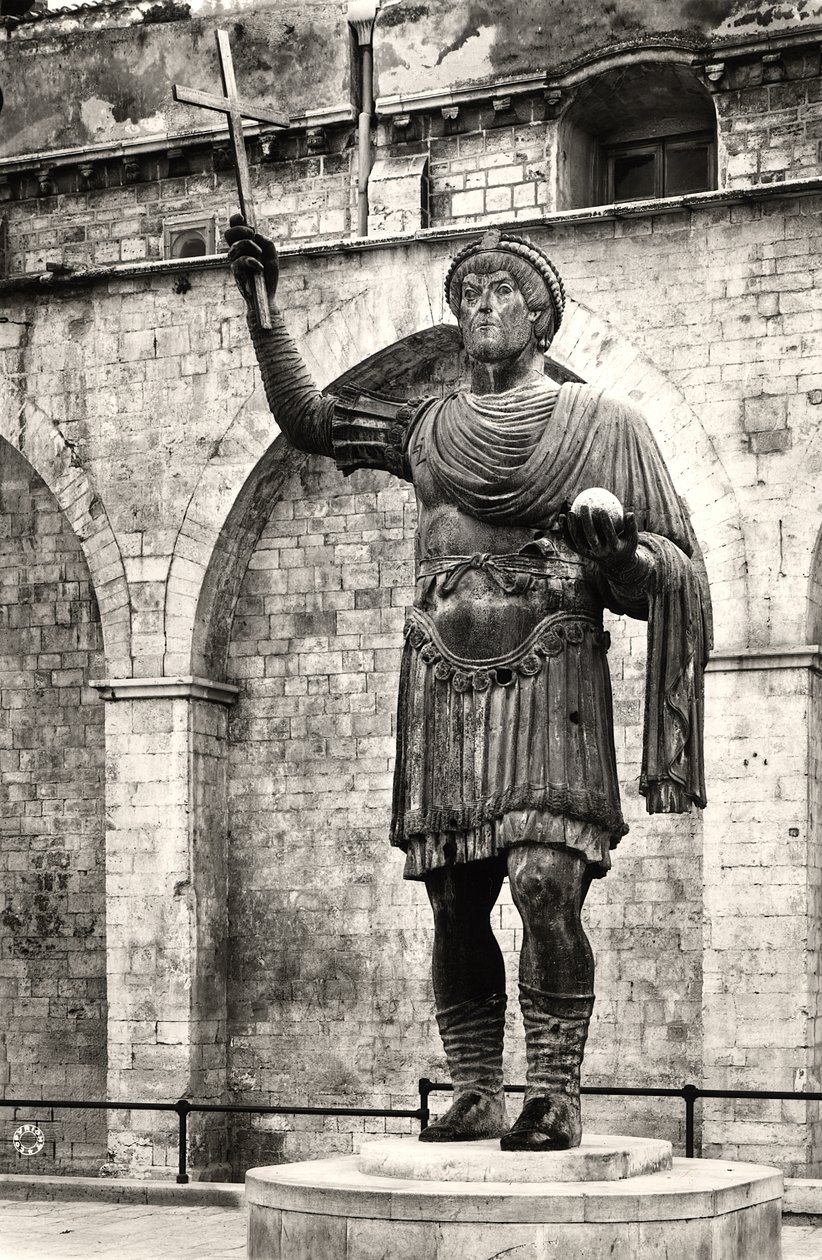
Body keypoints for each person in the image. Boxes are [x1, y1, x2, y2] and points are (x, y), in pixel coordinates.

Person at [225, 217, 709, 1151]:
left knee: (542, 886)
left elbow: (671, 565)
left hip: (550, 674)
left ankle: (556, 1091)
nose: (484, 308)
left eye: (503, 295)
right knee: (455, 898)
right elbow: (315, 420)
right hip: (443, 679)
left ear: (541, 319)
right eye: (469, 296)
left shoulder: (604, 425)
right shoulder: (428, 427)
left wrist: (620, 560)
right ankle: (478, 1085)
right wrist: (264, 315)